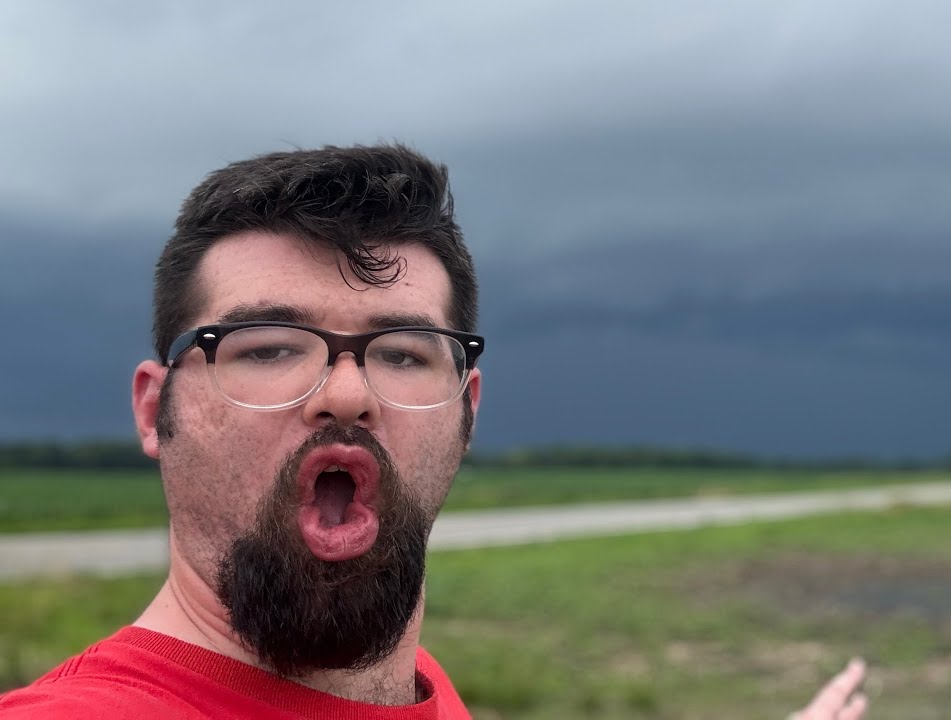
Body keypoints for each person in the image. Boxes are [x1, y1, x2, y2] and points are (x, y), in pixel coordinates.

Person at [0, 144, 867, 719]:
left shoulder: (422, 692)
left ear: (469, 410)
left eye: (405, 354)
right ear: (156, 410)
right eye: (267, 348)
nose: (345, 392)